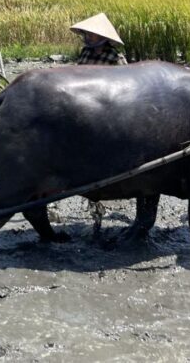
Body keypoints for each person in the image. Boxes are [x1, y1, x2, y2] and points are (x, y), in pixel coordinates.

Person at [70, 13, 127, 233]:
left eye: (92, 34)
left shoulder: (115, 58)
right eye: (87, 34)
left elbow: (126, 85)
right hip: (82, 103)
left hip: (105, 107)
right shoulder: (84, 53)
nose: (88, 38)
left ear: (103, 37)